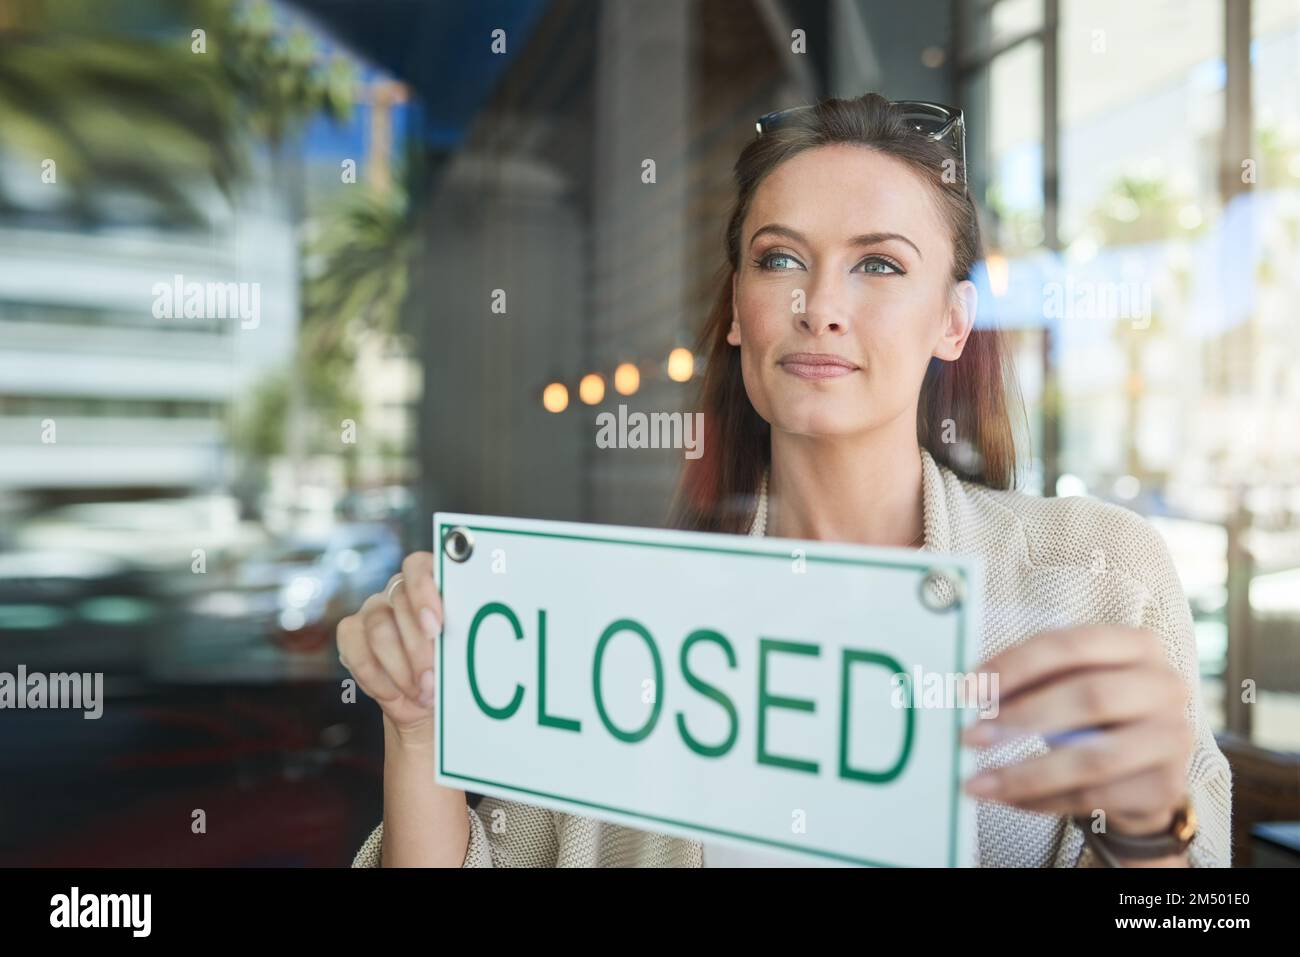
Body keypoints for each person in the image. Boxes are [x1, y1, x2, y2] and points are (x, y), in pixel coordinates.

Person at [342, 92, 1231, 868]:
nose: (821, 306)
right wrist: (419, 731)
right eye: (779, 259)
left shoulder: (1102, 578)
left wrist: (1151, 826)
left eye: (878, 263)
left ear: (954, 320)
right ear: (737, 311)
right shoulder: (620, 613)